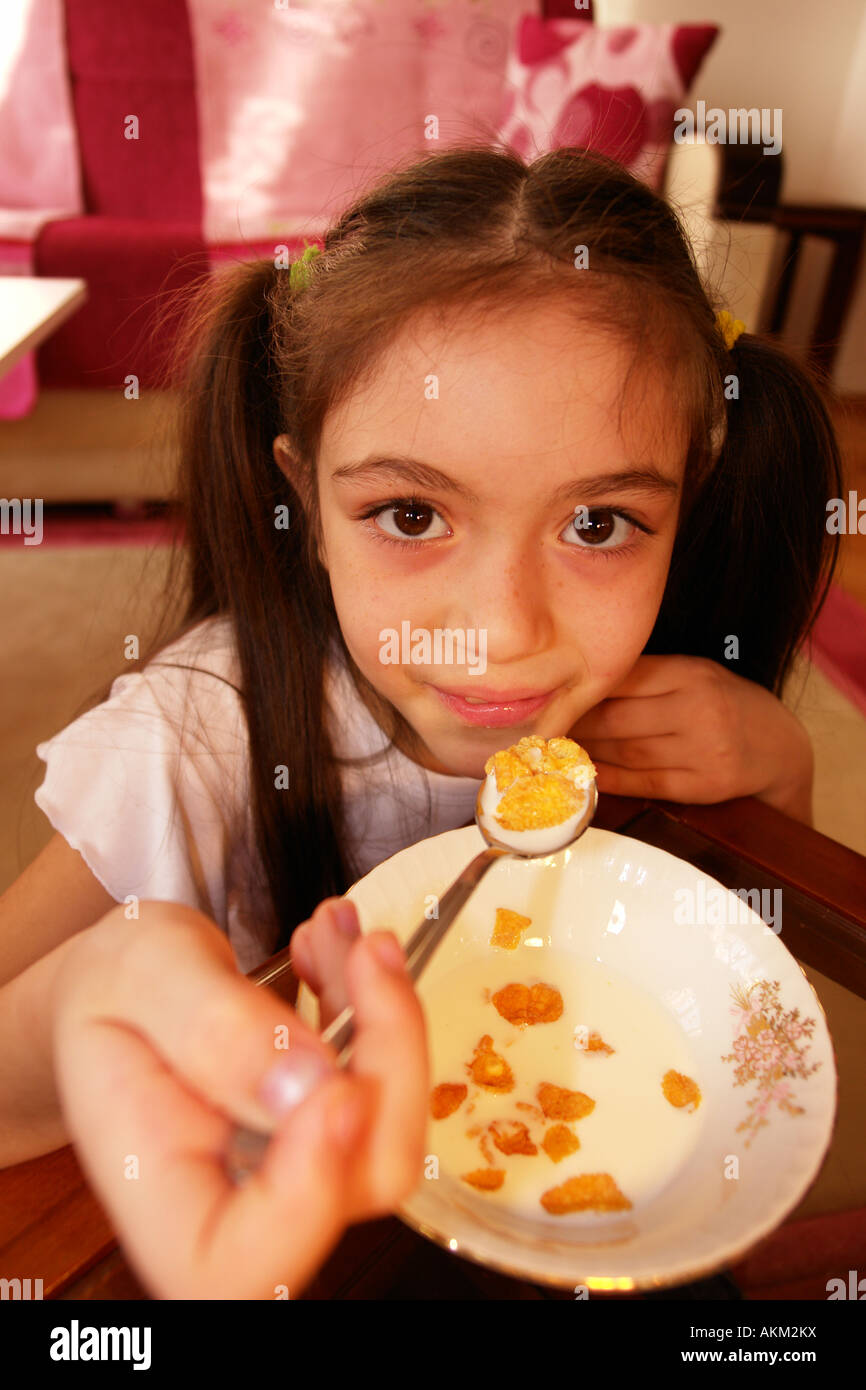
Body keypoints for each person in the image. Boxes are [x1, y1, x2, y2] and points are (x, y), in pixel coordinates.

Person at [0, 145, 841, 1297]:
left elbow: (741, 1004)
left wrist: (776, 780)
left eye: (597, 525)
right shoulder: (191, 744)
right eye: (408, 511)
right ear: (303, 491)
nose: (499, 634)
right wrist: (80, 1003)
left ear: (683, 503)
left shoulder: (663, 700)